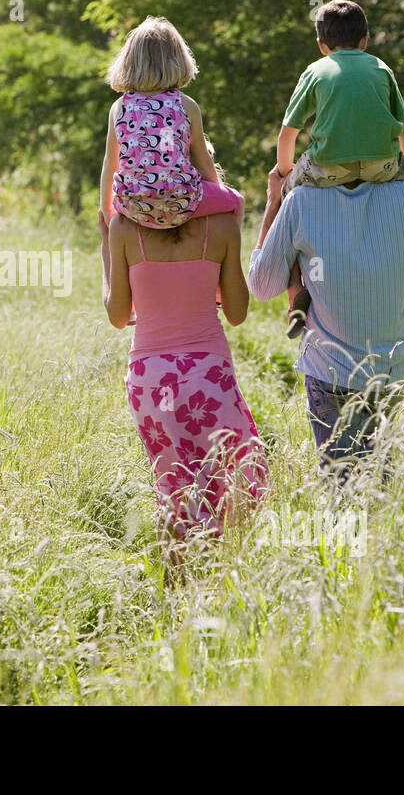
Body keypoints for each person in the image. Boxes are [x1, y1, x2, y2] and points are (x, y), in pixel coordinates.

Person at [247, 168, 404, 485]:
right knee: (379, 482)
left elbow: (260, 286)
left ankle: (296, 298)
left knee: (341, 490)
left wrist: (275, 202)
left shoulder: (300, 200)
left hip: (329, 367)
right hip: (392, 367)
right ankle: (381, 533)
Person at [101, 205, 270, 575]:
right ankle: (220, 582)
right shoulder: (222, 223)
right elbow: (237, 312)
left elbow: (118, 315)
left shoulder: (124, 226)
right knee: (229, 477)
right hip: (207, 376)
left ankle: (179, 594)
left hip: (150, 379)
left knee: (173, 488)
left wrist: (107, 253)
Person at [274, 0, 404, 338]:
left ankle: (297, 292)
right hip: (381, 164)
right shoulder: (381, 68)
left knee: (289, 211)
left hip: (328, 167)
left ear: (321, 45)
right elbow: (403, 125)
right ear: (365, 40)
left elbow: (289, 133)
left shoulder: (315, 71)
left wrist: (285, 175)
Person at [99, 16, 243, 234]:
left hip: (131, 205)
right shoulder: (185, 105)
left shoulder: (119, 107)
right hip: (181, 201)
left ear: (129, 61)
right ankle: (225, 265)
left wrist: (107, 212)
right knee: (237, 202)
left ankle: (110, 268)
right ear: (177, 59)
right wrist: (218, 190)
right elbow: (203, 162)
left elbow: (111, 165)